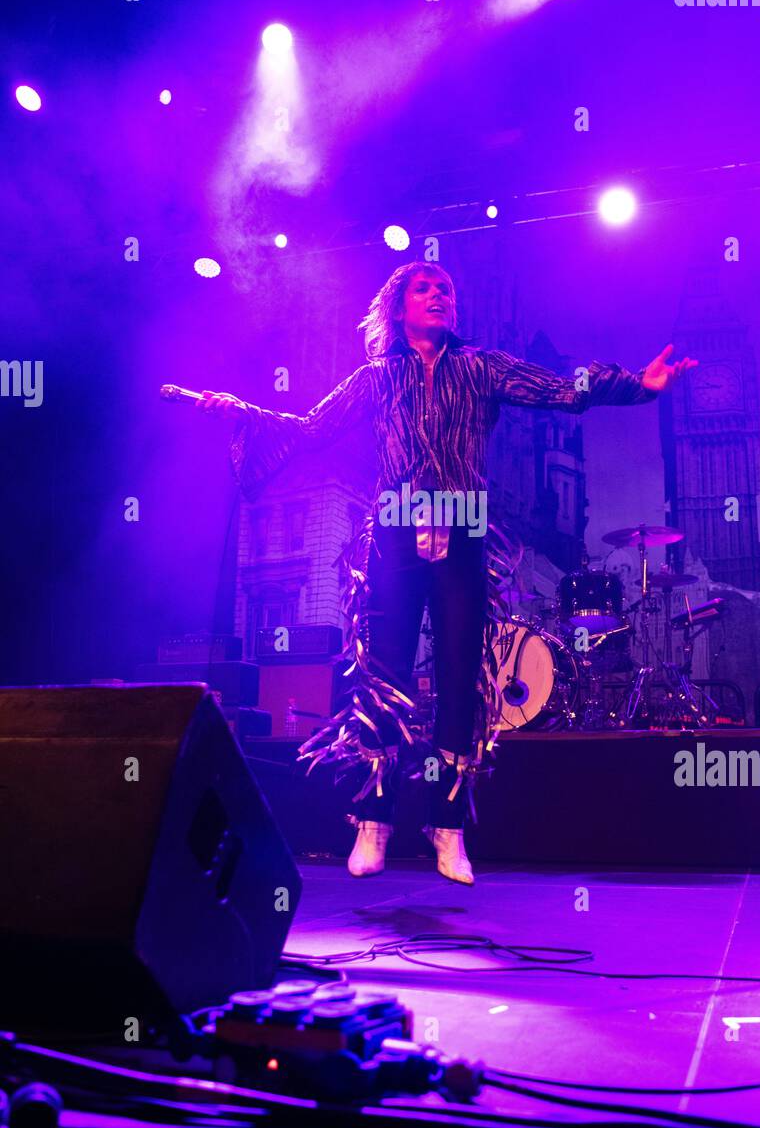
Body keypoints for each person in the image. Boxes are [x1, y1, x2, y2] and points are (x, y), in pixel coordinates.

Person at [199, 261, 697, 884]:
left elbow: (562, 388)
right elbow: (309, 430)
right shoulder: (375, 377)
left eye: (447, 291)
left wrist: (637, 385)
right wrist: (241, 414)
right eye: (424, 289)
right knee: (382, 676)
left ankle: (449, 824)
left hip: (462, 531)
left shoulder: (481, 366)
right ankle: (373, 817)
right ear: (398, 307)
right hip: (397, 532)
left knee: (462, 677)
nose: (438, 296)